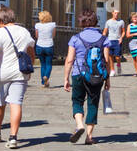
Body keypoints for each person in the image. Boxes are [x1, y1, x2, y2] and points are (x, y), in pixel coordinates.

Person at [0, 5, 36, 149]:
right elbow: (31, 50)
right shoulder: (24, 31)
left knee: (0, 103)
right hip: (20, 73)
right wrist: (30, 67)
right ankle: (13, 137)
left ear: (0, 20)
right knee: (16, 103)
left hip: (1, 73)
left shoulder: (0, 32)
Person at [64, 11, 110, 144]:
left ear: (82, 22)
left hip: (78, 73)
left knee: (77, 100)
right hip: (96, 75)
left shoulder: (75, 38)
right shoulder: (103, 39)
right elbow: (106, 61)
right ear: (95, 22)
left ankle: (79, 125)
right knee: (93, 102)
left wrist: (66, 78)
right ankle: (89, 137)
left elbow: (69, 60)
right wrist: (108, 79)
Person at [34, 9, 57, 87]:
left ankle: (43, 83)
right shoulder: (52, 25)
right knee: (48, 63)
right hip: (49, 45)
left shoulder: (37, 25)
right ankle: (46, 76)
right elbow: (53, 35)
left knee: (42, 64)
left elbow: (36, 36)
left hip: (39, 45)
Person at [103, 9, 125, 75]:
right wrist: (103, 38)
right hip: (110, 40)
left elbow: (123, 31)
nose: (116, 14)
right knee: (110, 56)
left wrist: (121, 37)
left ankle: (118, 65)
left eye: (117, 13)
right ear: (112, 13)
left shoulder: (121, 22)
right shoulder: (108, 22)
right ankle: (112, 70)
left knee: (117, 57)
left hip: (117, 40)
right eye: (115, 13)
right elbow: (105, 31)